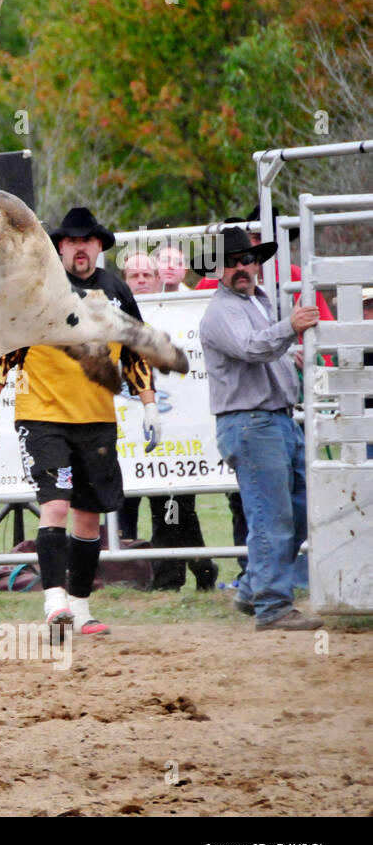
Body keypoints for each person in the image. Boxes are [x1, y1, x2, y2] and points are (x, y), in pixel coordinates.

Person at [0, 207, 160, 635]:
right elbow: (4, 354)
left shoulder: (114, 290)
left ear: (98, 246)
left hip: (97, 419)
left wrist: (149, 404)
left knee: (88, 519)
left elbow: (134, 350)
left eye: (87, 241)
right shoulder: (39, 289)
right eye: (72, 242)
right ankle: (54, 603)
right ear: (60, 248)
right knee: (54, 504)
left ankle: (80, 606)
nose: (80, 248)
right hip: (43, 418)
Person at [198, 225, 323, 631]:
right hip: (253, 422)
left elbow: (261, 349)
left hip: (274, 419)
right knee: (274, 516)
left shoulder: (257, 304)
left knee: (299, 510)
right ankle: (271, 605)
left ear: (257, 264)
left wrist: (290, 351)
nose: (241, 267)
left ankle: (255, 587)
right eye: (231, 262)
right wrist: (291, 328)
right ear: (218, 269)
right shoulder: (222, 309)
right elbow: (252, 348)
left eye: (246, 260)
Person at [119, 254, 218, 591]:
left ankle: (169, 578)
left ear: (159, 277)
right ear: (124, 279)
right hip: (125, 428)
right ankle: (134, 575)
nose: (142, 279)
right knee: (125, 508)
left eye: (147, 273)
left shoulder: (179, 311)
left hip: (176, 430)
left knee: (172, 507)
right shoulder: (116, 317)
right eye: (134, 275)